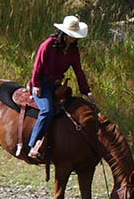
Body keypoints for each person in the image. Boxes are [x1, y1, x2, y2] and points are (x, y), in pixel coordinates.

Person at [17, 15, 95, 161]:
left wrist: (86, 91)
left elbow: (79, 71)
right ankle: (32, 145)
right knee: (47, 110)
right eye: (73, 36)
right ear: (65, 35)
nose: (76, 39)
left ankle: (60, 146)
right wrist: (37, 84)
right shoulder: (48, 45)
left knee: (70, 110)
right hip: (42, 83)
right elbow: (38, 66)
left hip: (56, 85)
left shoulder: (73, 51)